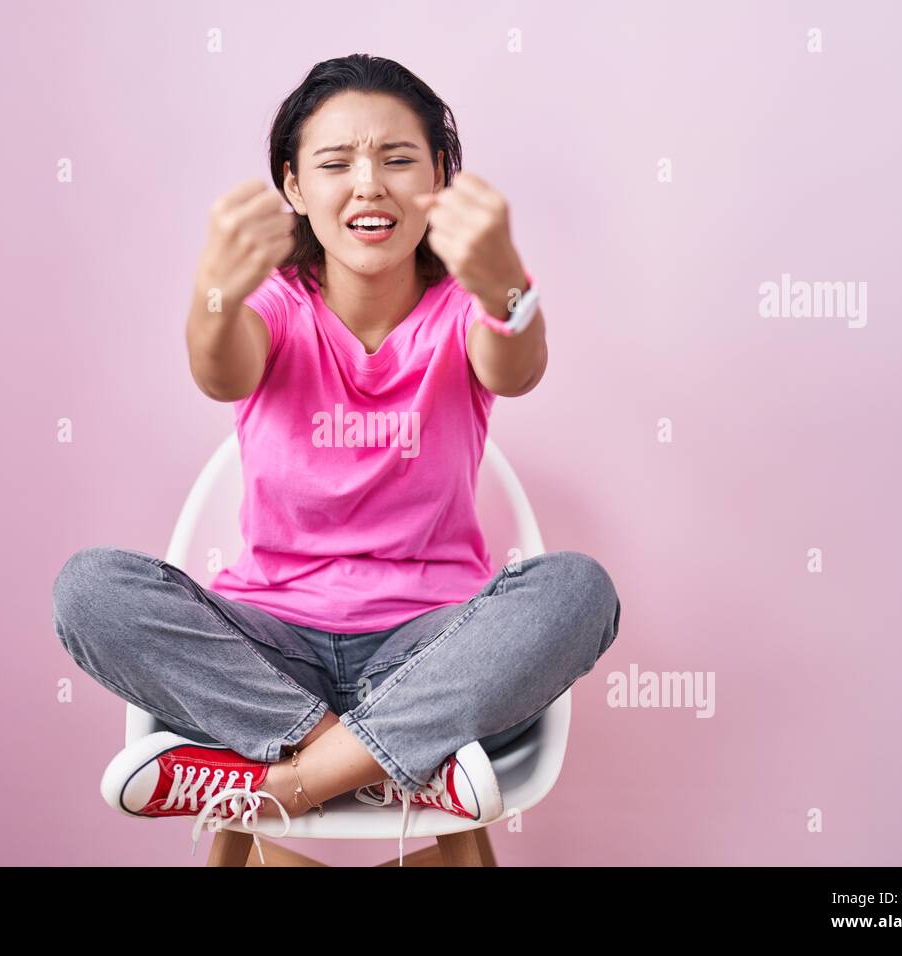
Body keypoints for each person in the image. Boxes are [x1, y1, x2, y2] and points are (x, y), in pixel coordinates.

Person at [51, 54, 621, 866]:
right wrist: (212, 290)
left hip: (429, 651)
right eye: (335, 163)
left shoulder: (468, 305)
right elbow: (221, 371)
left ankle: (286, 781)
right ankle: (385, 764)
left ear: (440, 179)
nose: (369, 185)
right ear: (292, 186)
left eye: (397, 160)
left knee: (577, 591)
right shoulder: (274, 305)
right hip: (268, 653)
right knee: (90, 589)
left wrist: (506, 287)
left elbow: (516, 368)